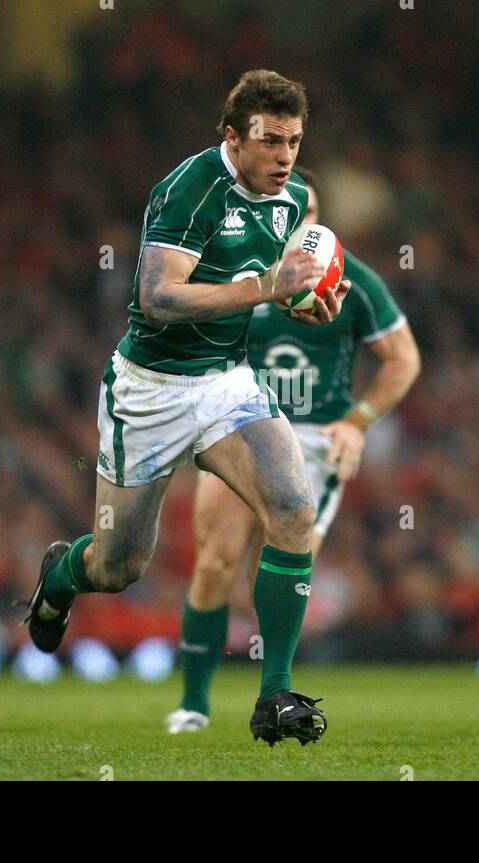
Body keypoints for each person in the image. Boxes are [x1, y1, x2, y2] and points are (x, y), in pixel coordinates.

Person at [21, 70, 351, 746]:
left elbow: (277, 293)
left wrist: (307, 305)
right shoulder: (189, 190)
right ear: (233, 137)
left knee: (293, 507)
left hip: (226, 383)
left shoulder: (293, 203)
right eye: (270, 141)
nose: (285, 156)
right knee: (120, 565)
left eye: (294, 141)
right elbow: (158, 300)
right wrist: (268, 286)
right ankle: (60, 574)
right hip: (149, 388)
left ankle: (275, 695)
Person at [164, 168, 421, 734]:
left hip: (314, 437)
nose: (300, 230)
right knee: (216, 559)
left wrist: (359, 421)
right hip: (240, 423)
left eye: (308, 219)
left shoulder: (353, 280)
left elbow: (403, 358)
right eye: (287, 216)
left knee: (286, 554)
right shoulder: (235, 276)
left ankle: (273, 693)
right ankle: (193, 706)